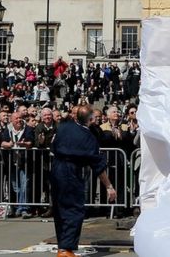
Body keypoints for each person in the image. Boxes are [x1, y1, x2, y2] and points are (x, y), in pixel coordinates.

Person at [50, 106, 116, 257]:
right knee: (74, 209)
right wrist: (109, 186)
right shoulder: (88, 137)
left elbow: (53, 146)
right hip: (71, 172)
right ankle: (65, 249)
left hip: (56, 168)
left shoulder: (64, 127)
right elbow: (97, 165)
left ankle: (63, 245)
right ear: (91, 119)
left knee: (60, 209)